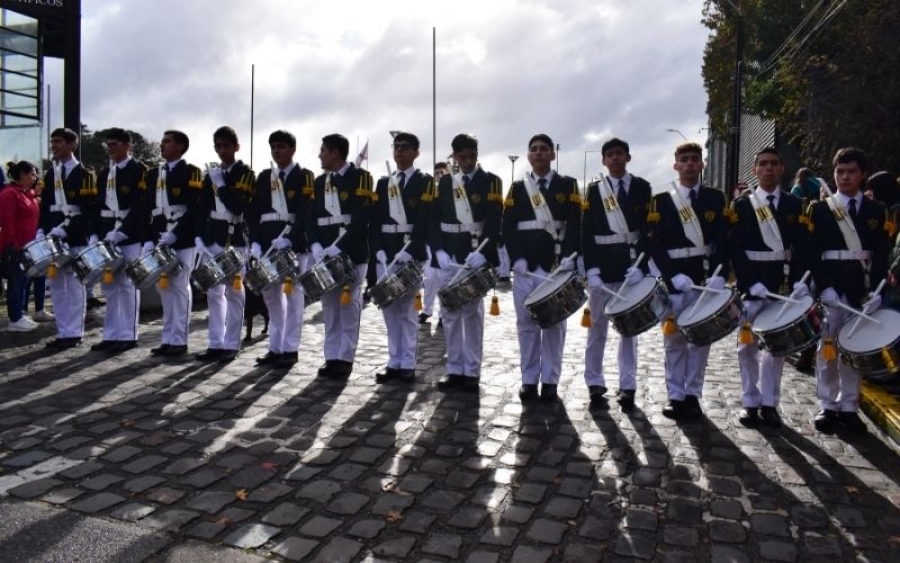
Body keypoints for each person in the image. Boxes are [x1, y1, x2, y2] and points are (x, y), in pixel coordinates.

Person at [645, 142, 730, 420]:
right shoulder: (662, 201)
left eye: (695, 159)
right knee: (674, 341)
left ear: (703, 164)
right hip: (675, 280)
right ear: (676, 165)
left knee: (701, 341)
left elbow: (723, 240)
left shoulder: (715, 199)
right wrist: (671, 277)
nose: (690, 164)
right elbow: (654, 244)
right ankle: (675, 395)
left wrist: (720, 275)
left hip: (705, 279)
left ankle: (693, 394)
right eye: (685, 159)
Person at [808, 147, 889, 434]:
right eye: (840, 172)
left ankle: (849, 406)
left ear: (862, 174)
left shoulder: (876, 211)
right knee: (828, 348)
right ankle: (828, 405)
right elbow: (812, 253)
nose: (845, 177)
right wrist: (824, 287)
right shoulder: (819, 210)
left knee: (855, 349)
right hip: (832, 284)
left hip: (862, 287)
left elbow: (881, 253)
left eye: (851, 171)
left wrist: (878, 290)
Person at [729, 148, 809, 428]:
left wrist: (800, 283)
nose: (768, 169)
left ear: (782, 168)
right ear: (755, 170)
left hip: (782, 286)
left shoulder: (795, 205)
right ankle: (750, 401)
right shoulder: (741, 206)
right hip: (753, 285)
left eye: (774, 164)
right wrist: (751, 282)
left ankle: (770, 403)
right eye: (763, 164)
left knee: (777, 350)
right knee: (747, 348)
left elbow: (801, 249)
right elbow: (736, 250)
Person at [501, 134, 581, 402]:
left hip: (555, 266)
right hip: (526, 268)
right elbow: (508, 228)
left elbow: (575, 225)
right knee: (525, 325)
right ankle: (528, 379)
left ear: (552, 154)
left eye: (544, 149)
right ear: (528, 155)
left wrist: (569, 257)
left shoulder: (568, 185)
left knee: (555, 326)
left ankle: (550, 381)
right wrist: (516, 259)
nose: (538, 153)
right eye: (534, 149)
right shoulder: (517, 188)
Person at [581, 138, 653, 410]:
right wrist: (592, 270)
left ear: (628, 157)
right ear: (603, 160)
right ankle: (595, 382)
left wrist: (643, 267)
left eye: (619, 154)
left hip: (630, 266)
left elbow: (647, 230)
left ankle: (628, 385)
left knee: (629, 331)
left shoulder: (642, 187)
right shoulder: (594, 190)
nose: (615, 159)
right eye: (610, 155)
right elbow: (586, 232)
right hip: (603, 265)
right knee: (597, 328)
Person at [429, 134, 503, 392]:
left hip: (475, 254)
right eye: (463, 156)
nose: (469, 161)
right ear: (455, 157)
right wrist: (438, 251)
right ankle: (454, 369)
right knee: (449, 314)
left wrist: (484, 251)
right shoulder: (444, 183)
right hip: (449, 256)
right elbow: (433, 220)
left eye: (472, 155)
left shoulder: (491, 181)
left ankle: (471, 370)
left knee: (472, 315)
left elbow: (495, 221)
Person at [307, 133, 374, 378]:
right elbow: (311, 218)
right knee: (329, 307)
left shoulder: (361, 178)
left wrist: (340, 247)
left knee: (348, 306)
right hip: (324, 253)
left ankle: (346, 357)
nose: (320, 155)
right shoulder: (318, 182)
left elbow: (361, 219)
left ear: (335, 153)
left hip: (352, 253)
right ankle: (331, 356)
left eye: (323, 150)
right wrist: (315, 245)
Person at [370, 132, 434, 383]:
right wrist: (377, 249)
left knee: (407, 311)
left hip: (410, 252)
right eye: (396, 147)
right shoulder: (383, 183)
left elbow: (425, 218)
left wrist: (412, 247)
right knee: (388, 309)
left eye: (405, 148)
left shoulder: (424, 181)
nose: (399, 152)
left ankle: (407, 362)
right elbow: (374, 221)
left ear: (416, 152)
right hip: (387, 252)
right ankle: (393, 361)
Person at [248, 130, 314, 368]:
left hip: (292, 245)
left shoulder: (304, 175)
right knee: (271, 297)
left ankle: (290, 348)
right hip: (267, 243)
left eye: (281, 147)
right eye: (273, 147)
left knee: (293, 296)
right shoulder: (265, 177)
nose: (277, 151)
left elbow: (305, 211)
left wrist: (293, 239)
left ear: (292, 149)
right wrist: (254, 241)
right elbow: (253, 213)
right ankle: (275, 347)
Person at [194, 126, 256, 363]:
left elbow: (238, 206)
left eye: (226, 145)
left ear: (236, 147)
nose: (222, 150)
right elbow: (202, 208)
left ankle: (231, 343)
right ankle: (215, 343)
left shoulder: (245, 173)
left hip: (234, 238)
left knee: (234, 293)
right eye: (218, 146)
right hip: (212, 238)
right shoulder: (210, 174)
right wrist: (200, 236)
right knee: (213, 293)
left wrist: (221, 185)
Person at [142, 130, 204, 357]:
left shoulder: (191, 172)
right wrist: (149, 239)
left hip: (182, 238)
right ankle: (167, 338)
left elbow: (195, 208)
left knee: (179, 288)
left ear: (180, 146)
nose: (162, 145)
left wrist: (177, 233)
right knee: (163, 288)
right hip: (159, 236)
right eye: (162, 141)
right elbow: (148, 210)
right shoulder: (153, 174)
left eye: (167, 142)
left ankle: (180, 339)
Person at [89, 128, 148, 354]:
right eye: (108, 145)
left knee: (128, 285)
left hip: (129, 235)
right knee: (109, 286)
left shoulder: (139, 170)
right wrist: (95, 233)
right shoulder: (105, 173)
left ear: (127, 146)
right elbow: (97, 206)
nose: (110, 148)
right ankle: (111, 333)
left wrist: (123, 231)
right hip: (107, 235)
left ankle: (128, 334)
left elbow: (140, 206)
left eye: (114, 144)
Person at [39, 128, 97, 349]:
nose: (54, 146)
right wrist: (41, 230)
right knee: (56, 286)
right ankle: (63, 330)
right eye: (53, 142)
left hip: (75, 236)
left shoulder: (85, 175)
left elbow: (87, 209)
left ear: (72, 145)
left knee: (74, 286)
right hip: (53, 234)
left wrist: (67, 230)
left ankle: (74, 332)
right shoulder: (52, 172)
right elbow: (45, 207)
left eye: (59, 142)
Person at [0, 161, 41, 332]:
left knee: (23, 281)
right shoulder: (9, 194)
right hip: (15, 246)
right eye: (31, 174)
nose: (34, 178)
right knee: (16, 282)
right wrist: (12, 245)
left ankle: (20, 313)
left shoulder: (27, 193)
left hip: (28, 246)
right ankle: (15, 319)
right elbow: (7, 222)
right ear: (22, 175)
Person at [420, 162, 450, 327]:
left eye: (442, 172)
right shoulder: (430, 193)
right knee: (430, 279)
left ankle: (442, 314)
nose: (439, 175)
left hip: (447, 242)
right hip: (430, 241)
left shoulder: (451, 192)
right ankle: (427, 309)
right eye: (436, 172)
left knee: (444, 280)